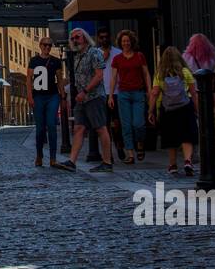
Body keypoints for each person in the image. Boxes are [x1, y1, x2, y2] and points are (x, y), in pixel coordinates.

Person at [56, 28, 113, 172]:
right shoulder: (77, 56)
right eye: (73, 38)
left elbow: (99, 75)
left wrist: (85, 91)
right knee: (78, 128)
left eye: (78, 37)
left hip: (94, 97)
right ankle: (72, 161)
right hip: (82, 99)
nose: (75, 40)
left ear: (85, 38)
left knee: (101, 128)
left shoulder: (94, 53)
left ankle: (107, 162)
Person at [149, 45, 199, 175]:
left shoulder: (160, 74)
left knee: (171, 137)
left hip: (168, 110)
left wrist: (151, 111)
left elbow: (154, 93)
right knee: (187, 135)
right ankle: (187, 161)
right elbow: (193, 93)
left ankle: (172, 165)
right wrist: (197, 108)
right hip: (185, 107)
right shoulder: (185, 72)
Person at [108, 30, 152, 164]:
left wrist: (149, 90)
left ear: (131, 42)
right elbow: (114, 78)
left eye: (127, 41)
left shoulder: (139, 56)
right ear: (120, 43)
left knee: (138, 123)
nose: (125, 43)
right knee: (126, 125)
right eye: (123, 41)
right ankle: (130, 154)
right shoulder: (117, 59)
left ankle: (140, 144)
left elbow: (146, 74)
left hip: (138, 93)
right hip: (123, 94)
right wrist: (110, 96)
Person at [27, 37, 66, 168]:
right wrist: (30, 97)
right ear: (40, 45)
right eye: (45, 45)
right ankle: (39, 155)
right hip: (38, 97)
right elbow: (28, 80)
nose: (47, 47)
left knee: (51, 125)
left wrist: (63, 96)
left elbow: (60, 80)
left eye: (49, 45)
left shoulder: (56, 61)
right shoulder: (33, 61)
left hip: (52, 96)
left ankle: (53, 158)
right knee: (40, 129)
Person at [96, 26, 123, 158]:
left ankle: (119, 144)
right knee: (104, 125)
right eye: (102, 37)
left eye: (106, 37)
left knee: (117, 123)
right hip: (101, 93)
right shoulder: (95, 54)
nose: (104, 40)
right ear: (98, 39)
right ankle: (109, 154)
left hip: (117, 92)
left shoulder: (118, 53)